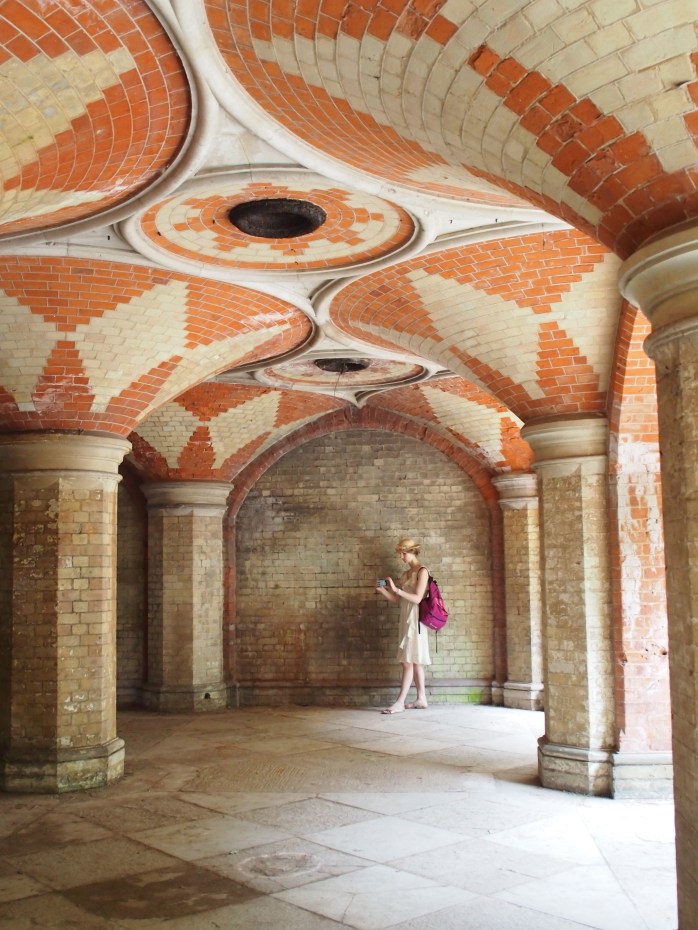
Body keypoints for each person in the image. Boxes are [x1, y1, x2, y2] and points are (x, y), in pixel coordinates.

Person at [376, 537, 431, 713]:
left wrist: (397, 589)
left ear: (412, 552)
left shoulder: (423, 571)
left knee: (408, 661)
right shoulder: (406, 574)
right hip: (406, 617)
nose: (401, 557)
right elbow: (396, 599)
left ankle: (399, 703)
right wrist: (384, 590)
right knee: (415, 661)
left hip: (416, 619)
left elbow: (417, 598)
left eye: (403, 554)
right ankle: (421, 699)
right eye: (400, 554)